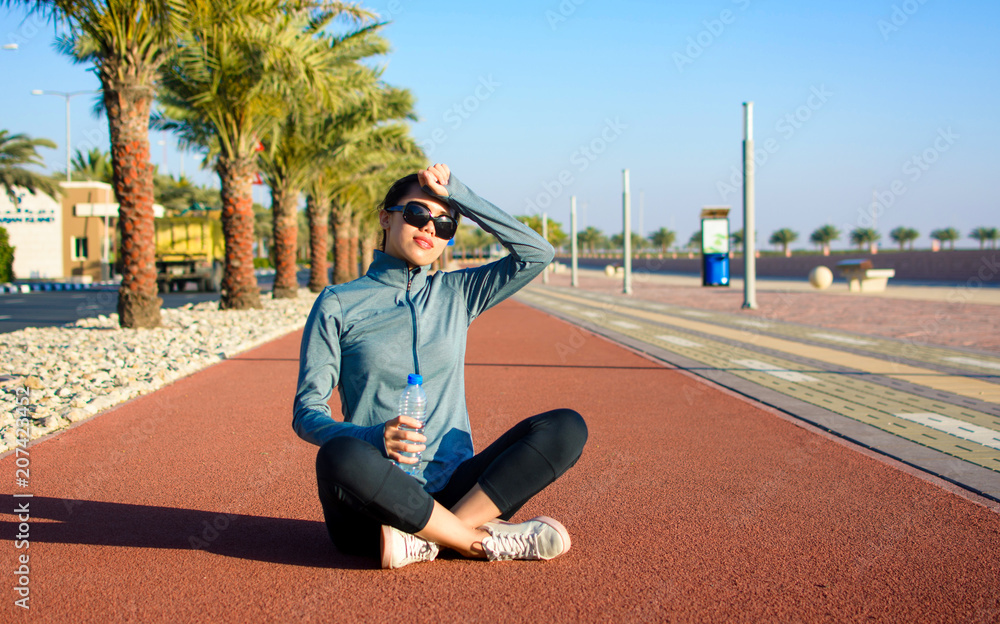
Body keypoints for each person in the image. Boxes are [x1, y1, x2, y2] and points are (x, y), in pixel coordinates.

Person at [292, 163, 588, 569]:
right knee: (339, 454)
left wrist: (460, 193)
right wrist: (373, 437)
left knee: (565, 426)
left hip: (454, 489)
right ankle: (473, 541)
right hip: (372, 508)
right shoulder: (339, 303)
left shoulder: (457, 293)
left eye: (445, 223)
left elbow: (537, 253)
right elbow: (307, 413)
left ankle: (435, 538)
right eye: (416, 214)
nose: (429, 228)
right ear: (386, 217)